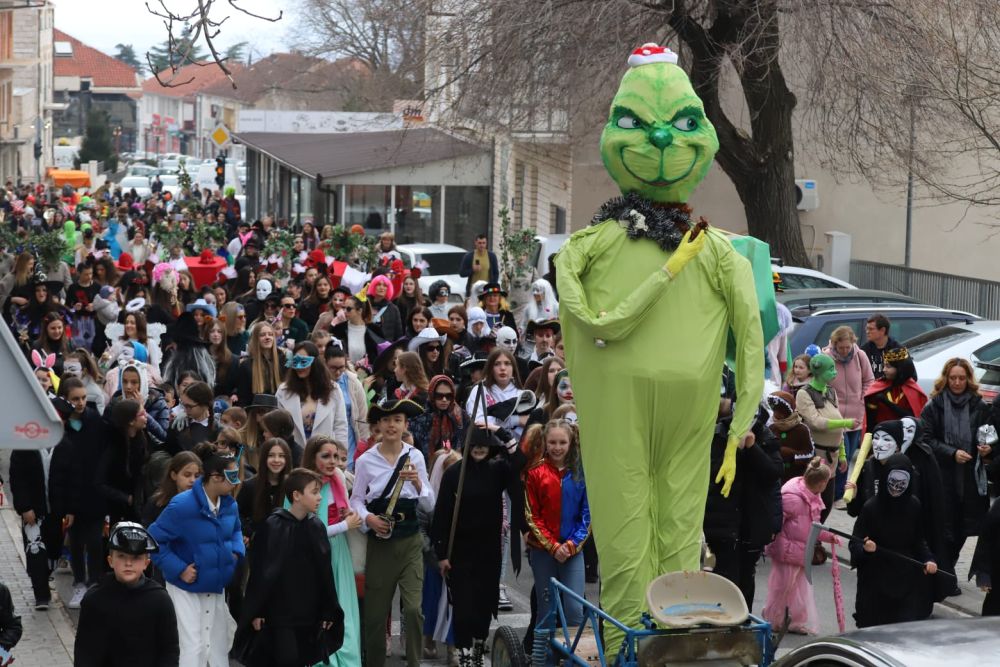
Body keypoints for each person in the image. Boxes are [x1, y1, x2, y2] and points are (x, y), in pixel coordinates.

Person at [350, 398, 434, 667]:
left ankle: (414, 662)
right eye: (386, 420)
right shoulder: (365, 460)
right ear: (378, 425)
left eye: (397, 420)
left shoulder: (415, 456)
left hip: (410, 541)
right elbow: (356, 500)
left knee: (414, 610)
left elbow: (429, 504)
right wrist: (368, 518)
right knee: (375, 616)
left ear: (405, 424)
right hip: (380, 544)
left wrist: (418, 482)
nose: (391, 425)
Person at [234, 468, 345, 667]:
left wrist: (328, 609)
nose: (320, 497)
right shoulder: (273, 525)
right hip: (279, 612)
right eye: (314, 492)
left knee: (302, 659)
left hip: (309, 612)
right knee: (287, 658)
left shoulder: (316, 526)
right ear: (296, 496)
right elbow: (261, 573)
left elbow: (324, 573)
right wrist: (258, 610)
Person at [433, 426, 524, 667]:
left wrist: (502, 433)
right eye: (474, 444)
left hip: (489, 551)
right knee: (463, 607)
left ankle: (478, 650)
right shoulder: (454, 474)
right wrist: (441, 554)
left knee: (484, 605)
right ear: (467, 446)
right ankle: (464, 653)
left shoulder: (498, 470)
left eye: (484, 444)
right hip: (460, 551)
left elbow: (519, 463)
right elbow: (441, 515)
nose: (479, 448)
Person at [148, 443, 245, 667]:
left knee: (218, 645)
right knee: (191, 647)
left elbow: (236, 531)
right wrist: (179, 569)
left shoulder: (230, 504)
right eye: (232, 476)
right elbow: (153, 540)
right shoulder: (181, 505)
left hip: (215, 585)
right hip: (185, 587)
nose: (237, 481)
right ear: (215, 477)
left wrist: (235, 554)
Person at [920, 357, 991, 594]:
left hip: (970, 477)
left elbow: (988, 434)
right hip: (942, 475)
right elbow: (925, 439)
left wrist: (986, 448)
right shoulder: (934, 406)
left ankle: (945, 571)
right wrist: (951, 453)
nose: (957, 382)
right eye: (953, 378)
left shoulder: (979, 406)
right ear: (946, 379)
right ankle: (945, 574)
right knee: (944, 528)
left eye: (961, 378)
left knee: (963, 528)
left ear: (968, 379)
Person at [522, 419, 591, 645]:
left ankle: (571, 657)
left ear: (571, 443)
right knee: (547, 609)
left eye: (562, 442)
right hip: (543, 551)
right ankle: (544, 658)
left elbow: (587, 515)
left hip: (572, 551)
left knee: (574, 609)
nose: (557, 447)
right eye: (552, 442)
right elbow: (532, 516)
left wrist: (570, 545)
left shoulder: (582, 472)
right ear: (545, 442)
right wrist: (553, 546)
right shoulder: (535, 473)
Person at [849, 454, 938, 628]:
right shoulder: (871, 507)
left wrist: (929, 559)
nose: (896, 487)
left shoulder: (914, 506)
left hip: (905, 579)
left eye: (902, 482)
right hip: (874, 581)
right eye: (893, 481)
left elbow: (919, 541)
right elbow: (855, 543)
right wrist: (865, 549)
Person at [74, 522, 179, 666]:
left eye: (136, 557)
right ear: (110, 561)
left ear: (146, 563)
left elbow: (169, 650)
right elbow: (84, 652)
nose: (128, 563)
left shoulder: (160, 600)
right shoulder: (94, 600)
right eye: (121, 556)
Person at [299, 436, 362, 667]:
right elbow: (308, 532)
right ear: (312, 457)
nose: (332, 461)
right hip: (315, 557)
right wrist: (345, 525)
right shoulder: (302, 486)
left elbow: (344, 510)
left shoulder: (337, 479)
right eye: (325, 456)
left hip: (339, 552)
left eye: (335, 456)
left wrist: (348, 515)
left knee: (343, 609)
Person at [49, 378, 109, 608]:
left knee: (94, 541)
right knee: (75, 540)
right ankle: (79, 582)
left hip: (93, 492)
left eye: (83, 398)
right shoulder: (61, 424)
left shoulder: (94, 420)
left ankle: (94, 582)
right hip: (71, 494)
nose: (81, 403)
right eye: (75, 399)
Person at [761, 458, 837, 635]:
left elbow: (813, 526)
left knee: (797, 589)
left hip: (800, 551)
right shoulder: (794, 498)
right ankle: (772, 619)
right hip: (786, 551)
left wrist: (829, 536)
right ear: (822, 483)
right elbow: (776, 523)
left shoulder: (811, 495)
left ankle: (793, 621)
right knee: (782, 588)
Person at [9, 415, 62, 611]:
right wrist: (24, 507)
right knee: (36, 550)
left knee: (54, 549)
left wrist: (69, 507)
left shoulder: (61, 444)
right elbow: (17, 479)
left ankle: (46, 576)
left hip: (56, 510)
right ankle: (41, 594)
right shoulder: (23, 447)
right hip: (33, 511)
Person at [795, 354, 854, 524]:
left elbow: (838, 428)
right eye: (831, 369)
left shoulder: (830, 392)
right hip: (816, 457)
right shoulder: (804, 393)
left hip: (832, 460)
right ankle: (806, 535)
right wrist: (845, 422)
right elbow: (816, 422)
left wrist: (842, 454)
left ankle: (815, 535)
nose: (835, 372)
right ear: (819, 372)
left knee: (827, 504)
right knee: (811, 503)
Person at [823, 325, 874, 505]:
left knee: (850, 455)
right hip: (835, 417)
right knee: (839, 458)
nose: (845, 351)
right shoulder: (826, 357)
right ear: (834, 344)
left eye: (848, 347)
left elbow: (869, 380)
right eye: (841, 347)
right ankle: (836, 495)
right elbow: (821, 382)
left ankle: (839, 492)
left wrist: (862, 399)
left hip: (856, 416)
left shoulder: (860, 356)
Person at [276, 340, 349, 452]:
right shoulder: (283, 391)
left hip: (325, 455)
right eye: (295, 361)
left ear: (315, 362)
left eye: (304, 361)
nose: (299, 367)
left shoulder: (333, 390)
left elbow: (340, 426)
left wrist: (340, 454)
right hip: (293, 456)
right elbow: (278, 429)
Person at [238, 438, 293, 545]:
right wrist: (249, 533)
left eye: (281, 456)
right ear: (264, 458)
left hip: (285, 546)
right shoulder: (250, 486)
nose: (276, 460)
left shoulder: (292, 486)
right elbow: (237, 513)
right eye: (271, 455)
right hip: (257, 546)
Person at [325, 345, 370, 469]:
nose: (338, 372)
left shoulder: (353, 382)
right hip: (327, 439)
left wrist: (363, 447)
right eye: (333, 368)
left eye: (341, 367)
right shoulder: (317, 384)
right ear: (325, 364)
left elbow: (363, 418)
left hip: (350, 442)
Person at [863, 347, 928, 428]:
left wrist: (886, 402)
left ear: (900, 368)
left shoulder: (913, 390)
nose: (884, 370)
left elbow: (913, 417)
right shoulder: (878, 387)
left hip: (905, 432)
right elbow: (870, 417)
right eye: (884, 366)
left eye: (888, 366)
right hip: (881, 432)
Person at [409, 374, 469, 459]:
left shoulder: (461, 417)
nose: (444, 400)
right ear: (432, 395)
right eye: (439, 396)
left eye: (448, 396)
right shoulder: (420, 418)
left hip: (454, 463)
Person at [236, 321, 283, 407]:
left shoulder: (283, 360)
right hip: (256, 411)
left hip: (279, 411)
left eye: (270, 334)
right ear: (256, 339)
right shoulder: (246, 365)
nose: (267, 337)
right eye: (262, 335)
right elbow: (243, 399)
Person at [861, 313, 900, 381]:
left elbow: (911, 375)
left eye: (871, 329)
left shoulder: (898, 350)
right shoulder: (864, 350)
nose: (867, 332)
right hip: (871, 387)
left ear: (882, 330)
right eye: (867, 329)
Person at [367, 275, 403, 342]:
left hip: (385, 345)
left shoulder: (393, 309)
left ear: (388, 288)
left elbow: (398, 333)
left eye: (385, 285)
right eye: (379, 284)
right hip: (367, 344)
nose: (381, 287)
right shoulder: (365, 304)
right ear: (373, 286)